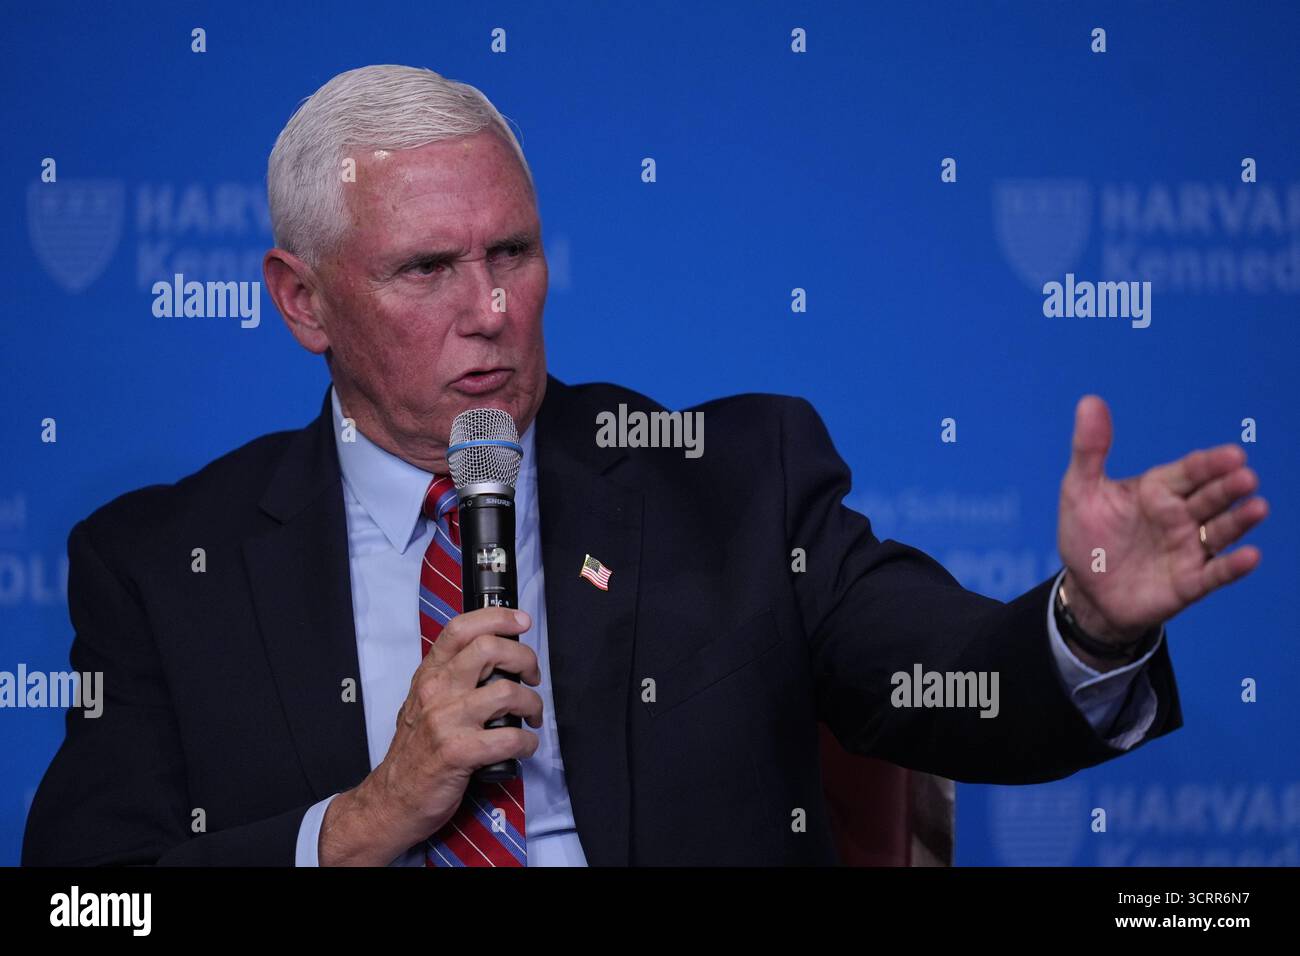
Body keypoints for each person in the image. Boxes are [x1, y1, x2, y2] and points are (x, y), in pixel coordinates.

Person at [22, 65, 1267, 867]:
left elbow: (938, 678)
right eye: (424, 270)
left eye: (511, 252)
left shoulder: (731, 480)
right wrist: (355, 825)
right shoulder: (157, 564)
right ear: (302, 301)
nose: (491, 309)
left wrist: (1082, 630)